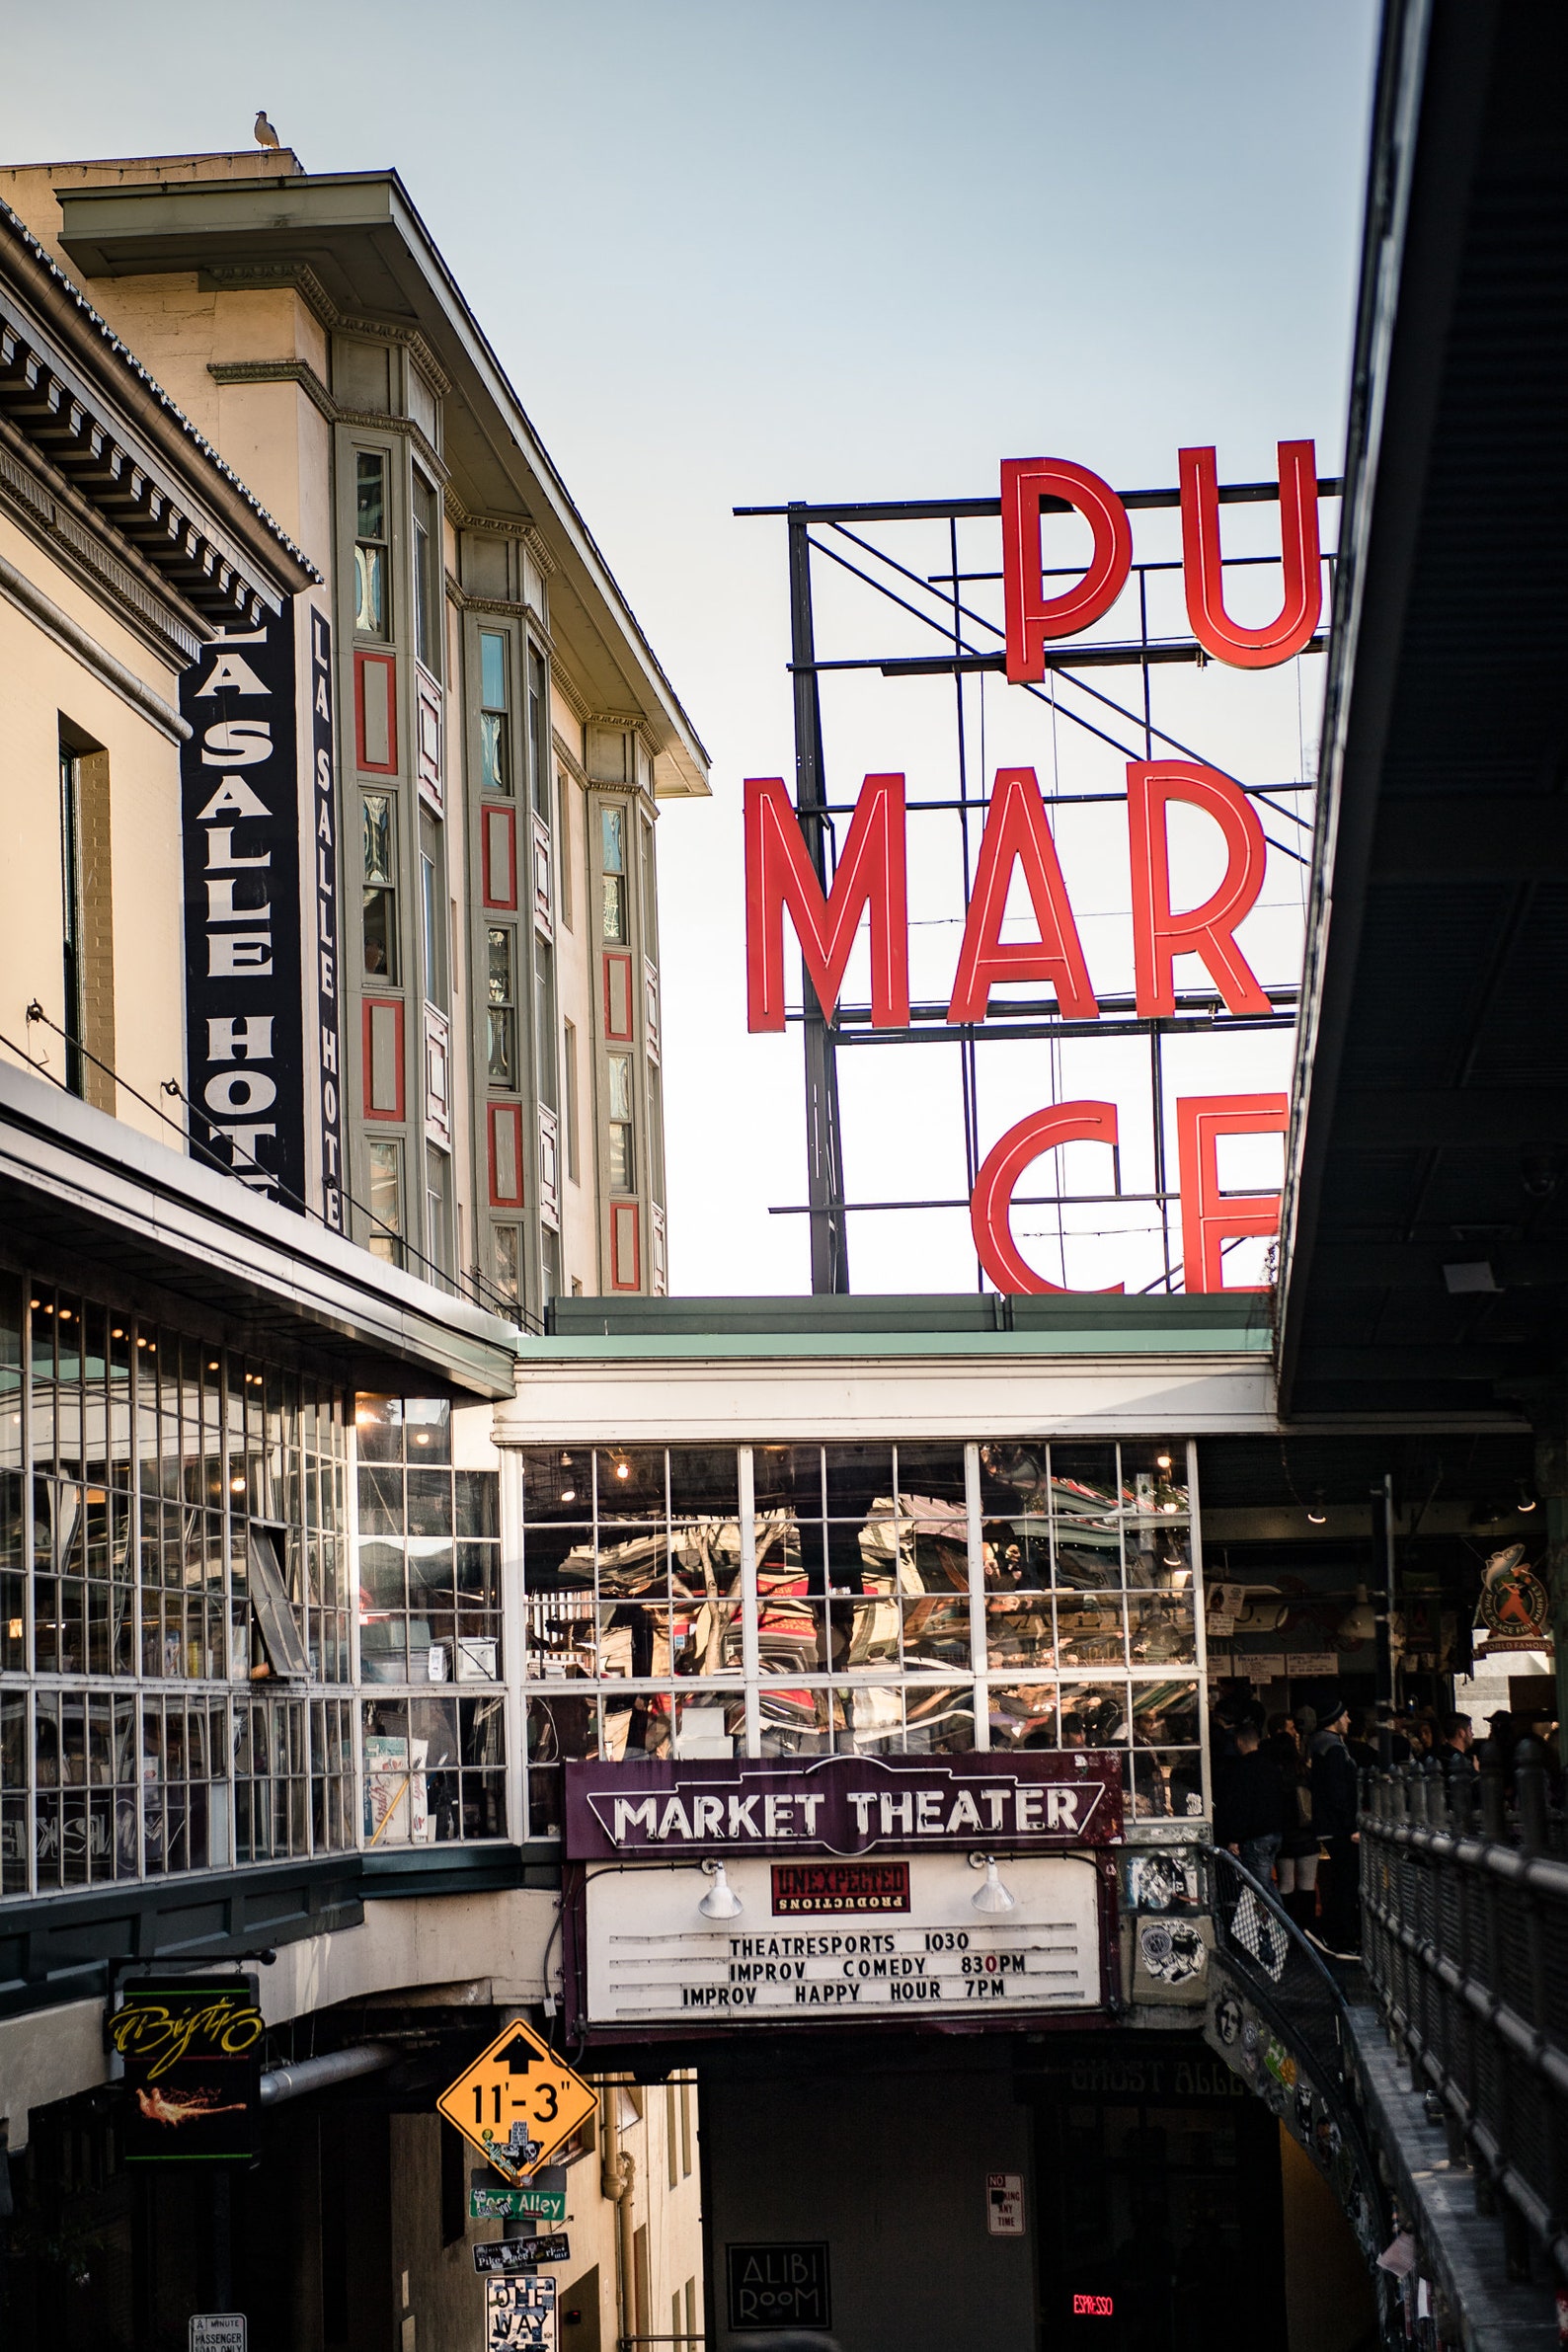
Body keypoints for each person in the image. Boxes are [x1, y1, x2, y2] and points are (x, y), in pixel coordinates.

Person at [1308, 1693, 1362, 1958]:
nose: (1349, 1720)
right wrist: (1351, 1826)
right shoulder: (1334, 1750)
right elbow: (1340, 1793)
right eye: (1345, 1715)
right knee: (1346, 1881)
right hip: (1339, 1828)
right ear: (1335, 1719)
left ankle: (1333, 1933)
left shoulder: (1320, 1746)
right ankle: (1340, 1936)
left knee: (1341, 1881)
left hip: (1329, 1826)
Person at [1213, 1716, 1290, 1888]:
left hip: (1256, 1836)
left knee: (1260, 1887)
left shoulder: (1243, 1768)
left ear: (1239, 1742)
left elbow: (1242, 1805)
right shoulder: (1271, 1765)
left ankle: (1275, 1907)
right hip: (1275, 1833)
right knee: (1264, 1883)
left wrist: (1235, 1837)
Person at [1265, 1713, 1320, 1933]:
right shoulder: (1304, 1771)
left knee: (1285, 1884)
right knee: (1307, 1884)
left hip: (1284, 1837)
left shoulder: (1272, 1774)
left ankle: (1287, 1930)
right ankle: (1308, 1932)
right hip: (1306, 1834)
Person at [1439, 1711, 1477, 1783]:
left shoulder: (1440, 1755)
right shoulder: (1463, 1763)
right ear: (1461, 1733)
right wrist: (1475, 1771)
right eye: (1470, 1730)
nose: (1472, 1734)